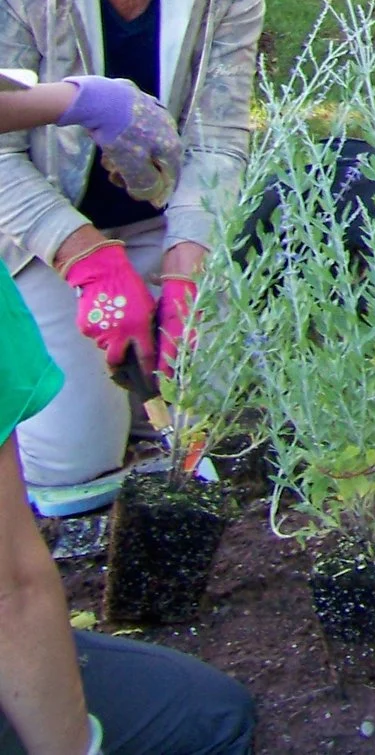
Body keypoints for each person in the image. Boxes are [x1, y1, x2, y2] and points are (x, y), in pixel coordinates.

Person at [0, 0, 263, 537]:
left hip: (159, 216)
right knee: (73, 471)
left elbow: (220, 130)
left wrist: (190, 256)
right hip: (32, 231)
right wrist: (83, 255)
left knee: (207, 412)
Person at [0, 259, 256, 754]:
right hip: (42, 250)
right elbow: (9, 589)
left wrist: (188, 256)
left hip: (148, 232)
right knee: (211, 722)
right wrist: (82, 255)